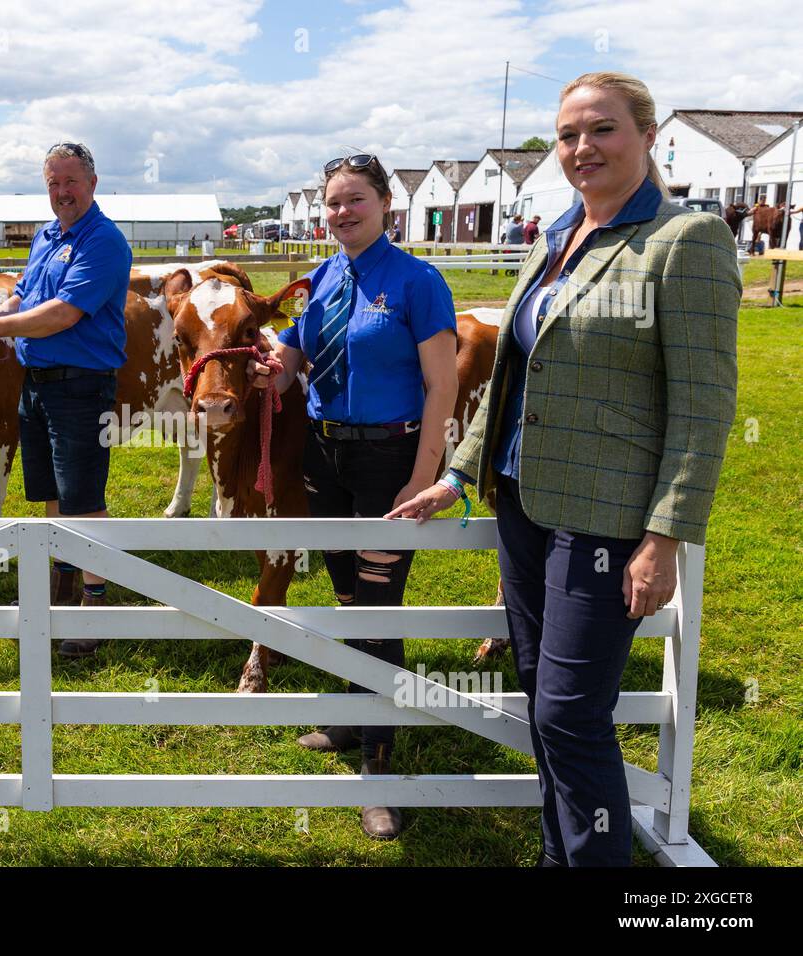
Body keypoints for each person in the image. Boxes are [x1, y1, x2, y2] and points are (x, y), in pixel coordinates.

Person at [388, 71, 739, 866]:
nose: (583, 148)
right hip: (521, 506)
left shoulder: (685, 241)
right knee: (549, 709)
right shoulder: (556, 236)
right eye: (569, 135)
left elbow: (704, 409)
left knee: (572, 713)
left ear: (648, 138)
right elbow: (510, 384)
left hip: (608, 518)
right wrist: (456, 475)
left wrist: (665, 538)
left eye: (603, 130)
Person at [246, 153, 458, 840]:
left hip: (389, 456)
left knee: (378, 606)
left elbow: (442, 386)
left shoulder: (418, 281)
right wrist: (276, 367)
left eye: (355, 199)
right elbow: (299, 360)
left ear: (386, 204)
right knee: (345, 599)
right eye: (332, 202)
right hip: (324, 455)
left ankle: (380, 771)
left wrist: (421, 474)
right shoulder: (326, 278)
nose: (341, 212)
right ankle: (350, 715)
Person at [0, 142, 131, 657]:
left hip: (81, 385)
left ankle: (94, 607)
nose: (61, 192)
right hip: (38, 384)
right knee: (51, 492)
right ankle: (63, 587)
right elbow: (26, 294)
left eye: (71, 181)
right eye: (52, 183)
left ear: (92, 184)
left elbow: (62, 314)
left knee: (84, 499)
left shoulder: (104, 241)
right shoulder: (47, 237)